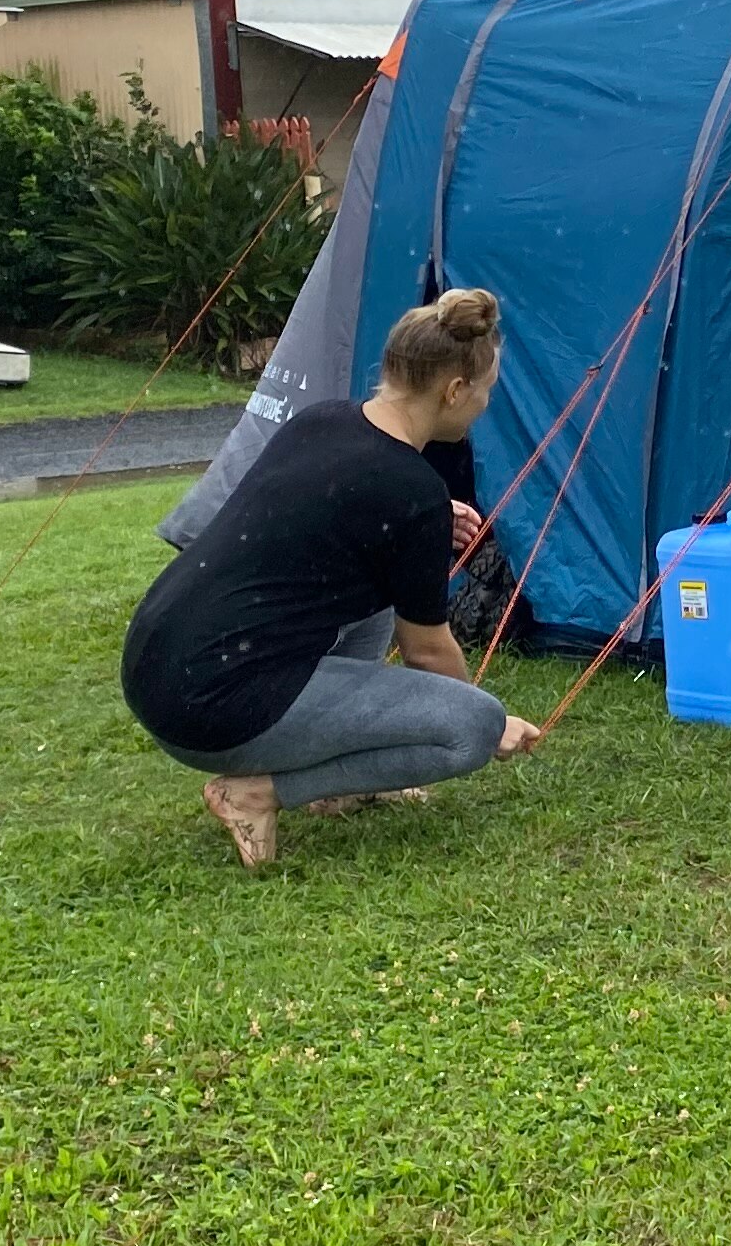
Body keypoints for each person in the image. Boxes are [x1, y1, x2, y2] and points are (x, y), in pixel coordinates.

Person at [119, 285, 541, 866]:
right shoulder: (411, 492)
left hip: (155, 668)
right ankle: (256, 791)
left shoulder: (322, 421)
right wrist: (488, 723)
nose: (486, 404)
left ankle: (342, 780)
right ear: (454, 391)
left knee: (373, 600)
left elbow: (316, 506)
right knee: (469, 725)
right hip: (215, 709)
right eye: (486, 391)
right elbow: (427, 654)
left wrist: (429, 515)